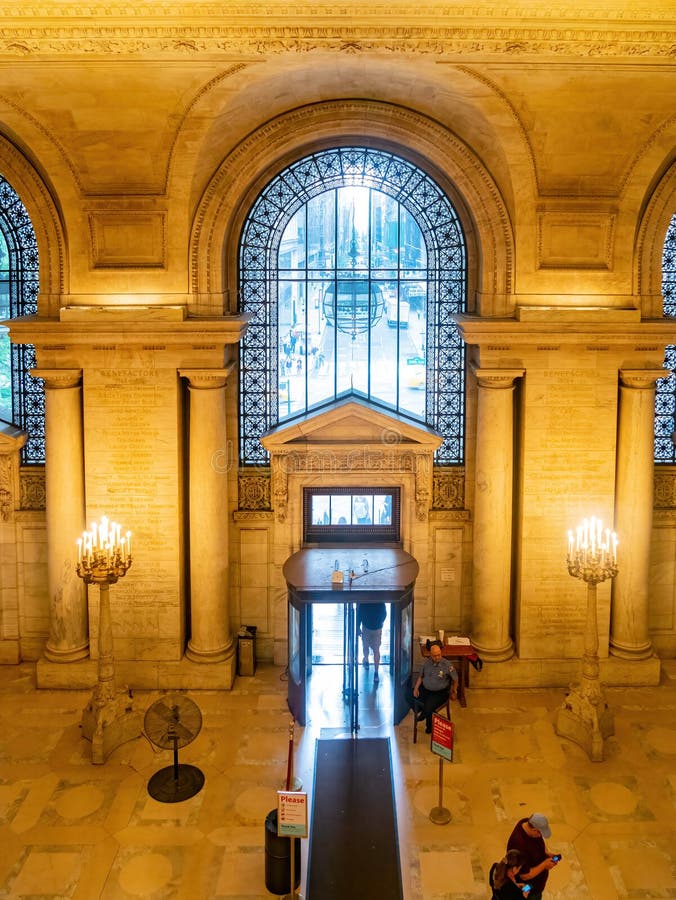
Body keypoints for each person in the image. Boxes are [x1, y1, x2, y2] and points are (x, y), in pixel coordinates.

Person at [506, 813, 559, 900]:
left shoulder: (526, 822)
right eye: (540, 834)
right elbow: (525, 875)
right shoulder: (519, 845)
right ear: (535, 830)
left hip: (537, 885)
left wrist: (546, 852)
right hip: (529, 889)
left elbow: (539, 841)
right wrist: (544, 865)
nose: (540, 837)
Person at [412, 640, 458, 733]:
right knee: (408, 695)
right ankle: (425, 711)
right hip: (426, 690)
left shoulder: (447, 665)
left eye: (439, 654)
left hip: (440, 692)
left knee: (429, 706)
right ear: (430, 655)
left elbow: (455, 679)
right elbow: (421, 676)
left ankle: (425, 717)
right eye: (435, 655)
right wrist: (416, 688)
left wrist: (454, 690)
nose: (437, 657)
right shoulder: (426, 663)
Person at [357, 602, 387, 683]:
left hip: (366, 626)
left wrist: (357, 627)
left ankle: (366, 661)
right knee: (376, 650)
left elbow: (359, 614)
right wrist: (380, 622)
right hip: (377, 628)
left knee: (365, 646)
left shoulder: (364, 599)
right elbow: (384, 614)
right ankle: (376, 673)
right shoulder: (379, 599)